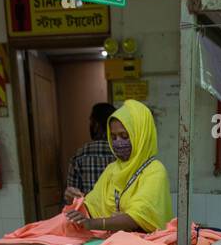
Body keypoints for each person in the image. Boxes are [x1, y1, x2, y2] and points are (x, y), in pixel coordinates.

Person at [62, 99, 171, 233]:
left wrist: (94, 223)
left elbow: (138, 216)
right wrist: (74, 200)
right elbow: (92, 206)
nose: (118, 142)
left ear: (141, 136)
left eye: (124, 136)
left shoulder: (154, 171)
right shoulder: (112, 169)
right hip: (115, 244)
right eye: (113, 137)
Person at [65, 101, 117, 198]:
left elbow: (71, 195)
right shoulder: (123, 152)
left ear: (95, 124)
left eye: (91, 121)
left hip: (88, 212)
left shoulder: (80, 154)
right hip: (119, 212)